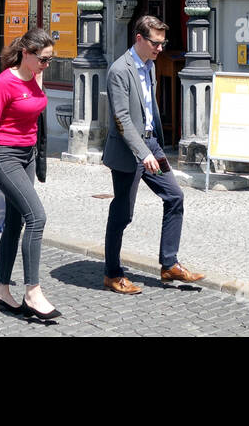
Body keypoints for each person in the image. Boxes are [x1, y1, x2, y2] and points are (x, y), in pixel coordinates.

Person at [102, 15, 204, 294]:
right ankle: (112, 274)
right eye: (155, 43)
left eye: (162, 43)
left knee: (175, 196)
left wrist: (154, 144)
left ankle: (169, 265)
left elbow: (148, 108)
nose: (160, 49)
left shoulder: (149, 66)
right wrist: (142, 151)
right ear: (139, 39)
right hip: (128, 152)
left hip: (151, 145)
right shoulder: (119, 70)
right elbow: (121, 118)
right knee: (123, 213)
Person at [0, 28, 60, 321]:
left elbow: (36, 105)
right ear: (26, 55)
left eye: (50, 60)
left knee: (15, 222)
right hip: (4, 157)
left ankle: (0, 289)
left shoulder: (36, 76)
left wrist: (40, 75)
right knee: (37, 217)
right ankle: (32, 291)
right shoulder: (5, 83)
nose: (47, 65)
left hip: (27, 156)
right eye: (43, 60)